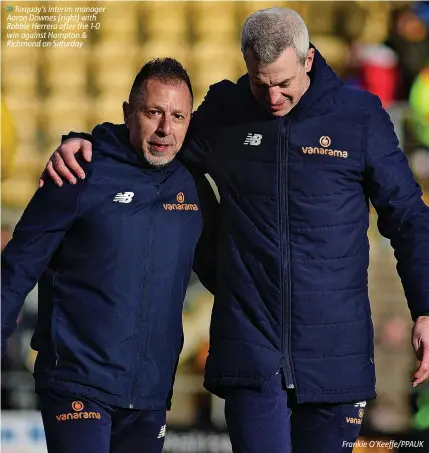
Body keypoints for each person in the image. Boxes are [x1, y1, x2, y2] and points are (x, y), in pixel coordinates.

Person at [41, 7, 429, 453]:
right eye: (260, 84)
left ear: (308, 60)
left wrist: (425, 307)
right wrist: (88, 139)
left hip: (335, 356)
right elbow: (158, 143)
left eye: (284, 83)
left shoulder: (360, 118)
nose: (273, 97)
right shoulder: (226, 111)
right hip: (250, 351)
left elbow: (408, 216)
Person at [2, 58, 218, 453]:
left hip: (150, 394)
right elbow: (15, 268)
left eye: (178, 116)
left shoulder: (194, 186)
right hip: (77, 381)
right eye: (153, 112)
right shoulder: (78, 172)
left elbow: (222, 273)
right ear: (128, 113)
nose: (165, 129)